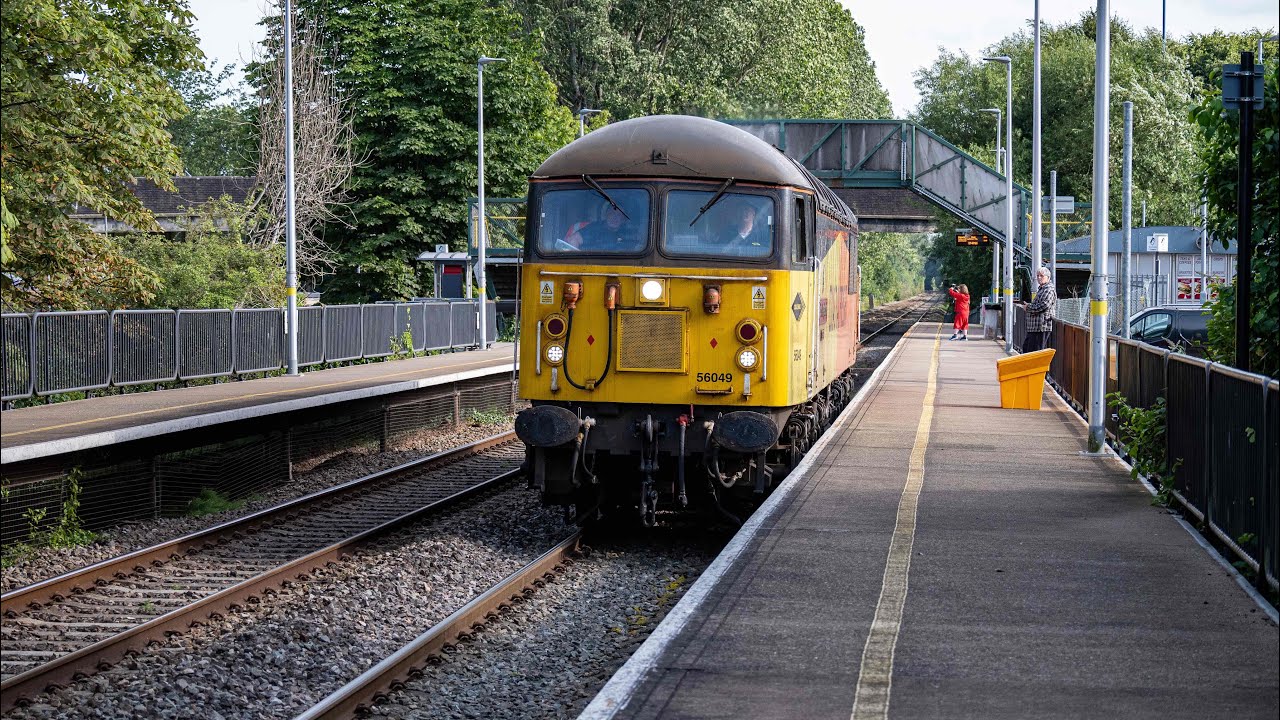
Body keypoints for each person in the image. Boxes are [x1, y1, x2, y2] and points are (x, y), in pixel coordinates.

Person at [566, 205, 635, 250]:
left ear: (623, 219)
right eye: (612, 213)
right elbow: (574, 239)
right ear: (606, 214)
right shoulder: (594, 228)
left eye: (619, 215)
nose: (615, 217)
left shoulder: (628, 232)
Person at [1021, 267, 1057, 352]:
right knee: (1027, 349)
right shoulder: (1042, 289)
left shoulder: (1049, 289)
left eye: (1042, 276)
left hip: (1041, 327)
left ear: (1048, 277)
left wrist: (1028, 307)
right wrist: (1029, 305)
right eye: (1038, 276)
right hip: (1035, 327)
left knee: (1035, 352)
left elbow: (1044, 305)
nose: (1039, 278)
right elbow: (1040, 304)